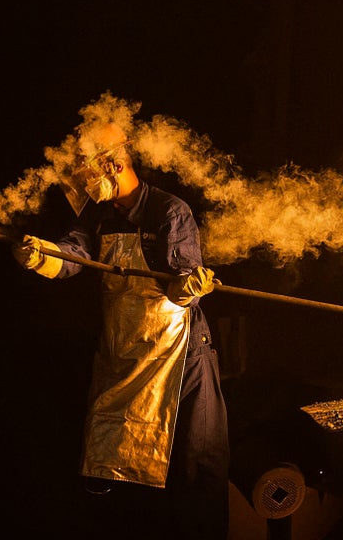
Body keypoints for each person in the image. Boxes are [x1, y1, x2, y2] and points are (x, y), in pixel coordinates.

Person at [12, 123, 230, 539]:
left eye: (86, 174)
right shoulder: (98, 215)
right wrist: (39, 256)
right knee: (120, 473)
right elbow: (74, 256)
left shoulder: (169, 211)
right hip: (125, 350)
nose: (83, 184)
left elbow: (183, 282)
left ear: (113, 163)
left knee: (194, 469)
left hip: (179, 358)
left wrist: (187, 287)